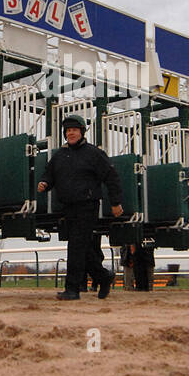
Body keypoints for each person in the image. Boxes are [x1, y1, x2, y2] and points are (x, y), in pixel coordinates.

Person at [37, 114, 123, 300]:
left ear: (82, 132)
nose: (71, 133)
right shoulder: (59, 156)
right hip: (68, 207)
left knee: (76, 246)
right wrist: (45, 183)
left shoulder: (94, 154)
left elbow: (111, 177)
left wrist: (115, 202)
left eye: (74, 130)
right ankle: (104, 276)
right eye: (68, 131)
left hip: (87, 205)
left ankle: (72, 289)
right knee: (81, 247)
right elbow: (49, 174)